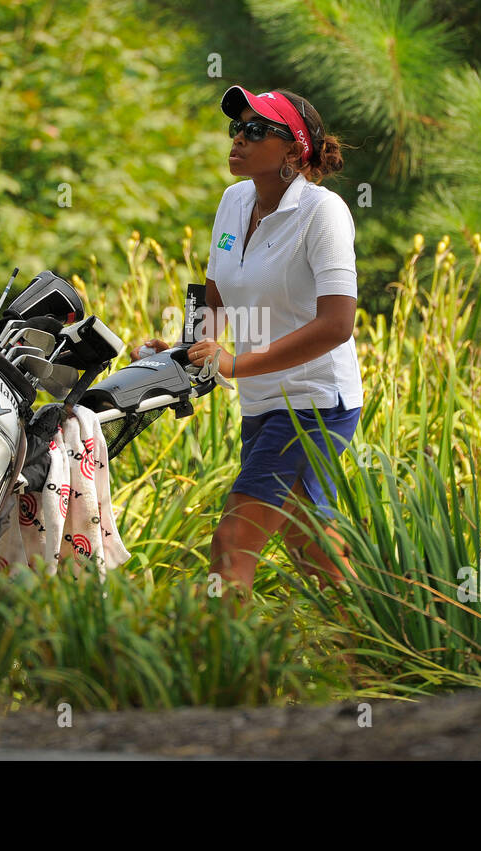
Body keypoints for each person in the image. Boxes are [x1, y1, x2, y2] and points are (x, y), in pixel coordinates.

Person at [130, 86, 365, 601]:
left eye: (256, 129)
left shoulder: (322, 214)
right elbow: (216, 300)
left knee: (233, 542)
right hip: (263, 401)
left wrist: (236, 364)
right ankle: (381, 648)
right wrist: (179, 353)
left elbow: (336, 324)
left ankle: (225, 673)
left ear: (292, 149)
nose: (238, 137)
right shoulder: (234, 202)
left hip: (312, 403)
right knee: (310, 546)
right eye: (236, 127)